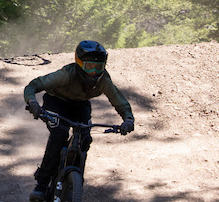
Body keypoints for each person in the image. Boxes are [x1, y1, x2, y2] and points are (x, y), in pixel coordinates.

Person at [23, 40, 135, 201]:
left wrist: (128, 119)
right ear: (79, 63)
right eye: (90, 66)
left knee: (85, 138)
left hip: (80, 104)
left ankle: (75, 179)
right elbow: (33, 85)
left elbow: (119, 100)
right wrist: (33, 103)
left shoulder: (103, 80)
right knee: (59, 135)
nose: (94, 72)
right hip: (56, 101)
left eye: (99, 67)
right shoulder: (67, 74)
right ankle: (41, 184)